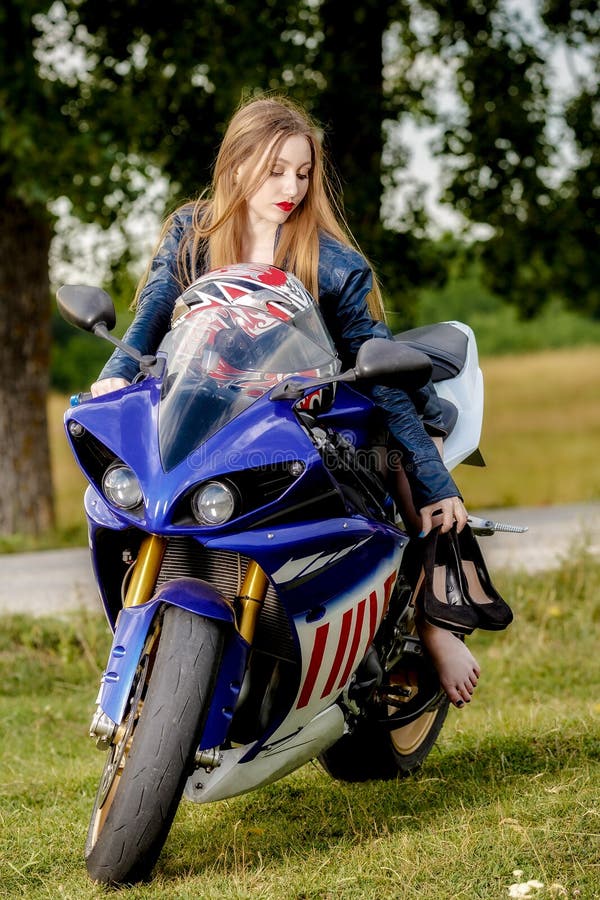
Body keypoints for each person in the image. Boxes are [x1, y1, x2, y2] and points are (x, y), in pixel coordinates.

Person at [91, 94, 479, 709]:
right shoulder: (193, 231)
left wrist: (436, 480)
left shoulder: (332, 260)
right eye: (276, 171)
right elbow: (154, 313)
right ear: (236, 164)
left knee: (403, 472)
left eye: (302, 173)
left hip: (320, 403)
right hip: (220, 404)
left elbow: (376, 365)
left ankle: (434, 624)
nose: (291, 188)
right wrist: (114, 376)